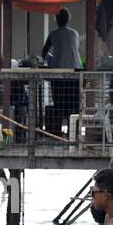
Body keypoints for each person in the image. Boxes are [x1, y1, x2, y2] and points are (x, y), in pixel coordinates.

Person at [41, 8, 82, 136]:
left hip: (58, 73)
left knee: (59, 104)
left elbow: (44, 52)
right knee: (73, 105)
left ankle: (57, 135)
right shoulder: (75, 33)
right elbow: (73, 49)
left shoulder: (53, 34)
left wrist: (50, 59)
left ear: (56, 20)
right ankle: (73, 134)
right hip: (75, 73)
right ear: (68, 19)